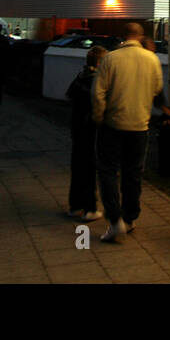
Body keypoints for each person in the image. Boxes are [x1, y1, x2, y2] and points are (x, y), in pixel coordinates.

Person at [92, 22, 162, 242]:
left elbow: (97, 93)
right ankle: (130, 218)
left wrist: (99, 116)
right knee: (133, 173)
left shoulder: (111, 59)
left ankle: (115, 221)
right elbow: (157, 89)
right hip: (139, 126)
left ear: (124, 37)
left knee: (108, 172)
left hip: (113, 125)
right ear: (140, 37)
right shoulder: (152, 60)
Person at [65, 45, 106, 222]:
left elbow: (69, 95)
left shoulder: (81, 75)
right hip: (90, 128)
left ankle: (75, 206)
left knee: (78, 165)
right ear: (99, 62)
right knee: (89, 167)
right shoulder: (95, 80)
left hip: (77, 126)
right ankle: (90, 208)